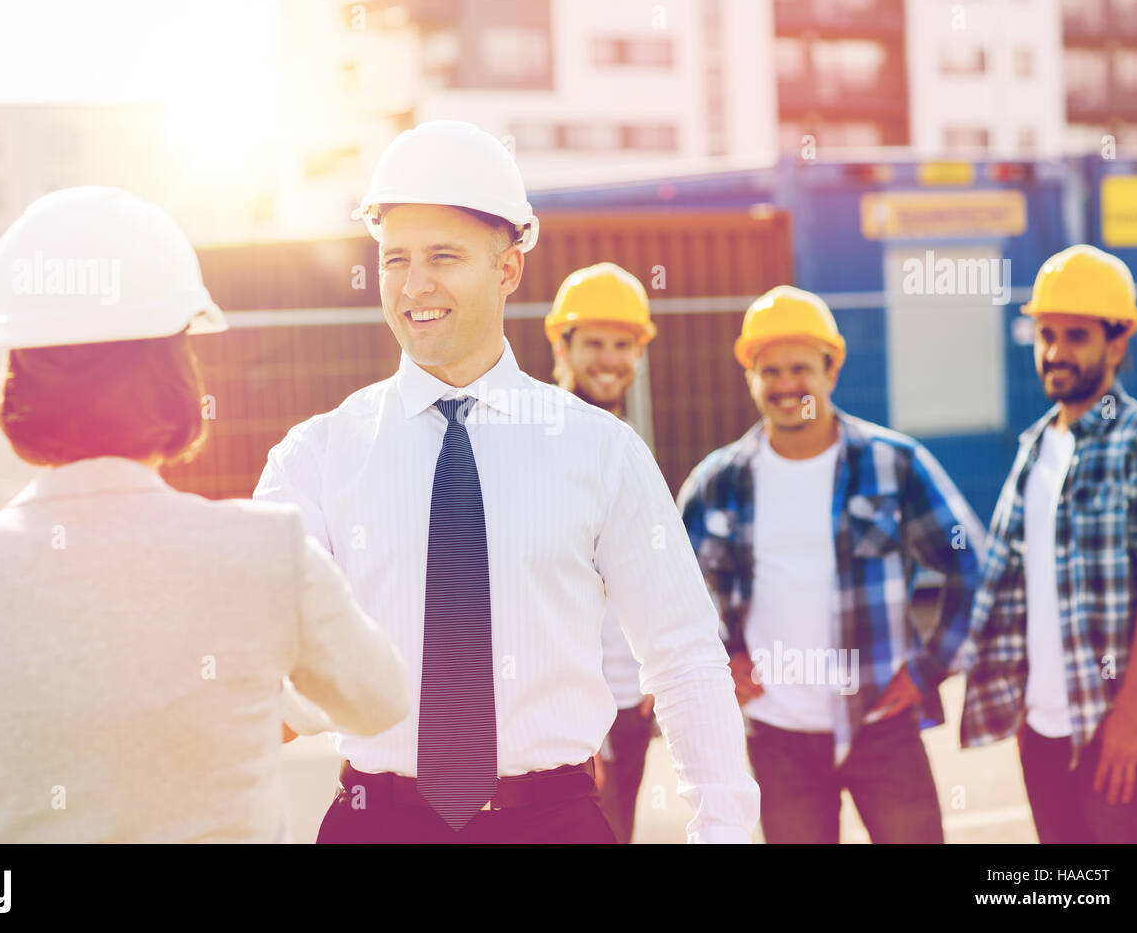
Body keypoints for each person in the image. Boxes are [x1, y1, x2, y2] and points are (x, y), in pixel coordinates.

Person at [255, 120, 759, 844]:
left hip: (553, 823)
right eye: (395, 259)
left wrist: (724, 832)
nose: (413, 285)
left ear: (509, 269)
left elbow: (681, 652)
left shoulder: (601, 453)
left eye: (444, 256)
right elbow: (268, 650)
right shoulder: (317, 456)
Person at [0, 186, 407, 843]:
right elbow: (380, 699)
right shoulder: (268, 552)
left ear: (18, 380)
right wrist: (250, 692)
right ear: (177, 374)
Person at [678, 285, 984, 843]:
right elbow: (666, 592)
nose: (787, 384)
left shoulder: (894, 464)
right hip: (778, 739)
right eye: (770, 371)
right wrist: (722, 657)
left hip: (882, 728)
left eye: (801, 368)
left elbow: (974, 567)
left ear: (830, 371)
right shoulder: (718, 481)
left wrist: (928, 668)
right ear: (751, 378)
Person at [959, 244, 1137, 843]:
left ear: (1116, 344)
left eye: (1076, 336)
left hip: (1118, 731)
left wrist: (1128, 718)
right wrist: (1022, 710)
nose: (1055, 352)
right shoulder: (1036, 446)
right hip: (1044, 731)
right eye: (1046, 334)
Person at [544, 261, 658, 843]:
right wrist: (593, 731)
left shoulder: (625, 450)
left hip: (628, 705)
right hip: (566, 714)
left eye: (623, 344)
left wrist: (649, 677)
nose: (610, 359)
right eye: (593, 343)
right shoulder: (539, 445)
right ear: (562, 346)